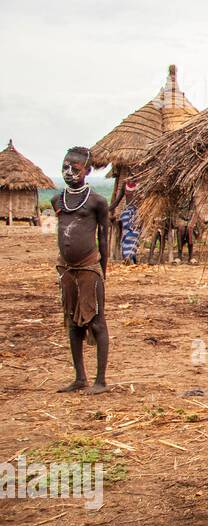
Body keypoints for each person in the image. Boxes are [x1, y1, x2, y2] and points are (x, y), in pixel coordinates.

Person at [53, 146, 110, 393]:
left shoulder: (97, 202)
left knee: (96, 322)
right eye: (65, 167)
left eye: (74, 169)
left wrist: (103, 270)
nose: (68, 173)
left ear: (86, 171)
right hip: (67, 269)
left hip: (89, 268)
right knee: (73, 322)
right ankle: (79, 378)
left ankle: (100, 381)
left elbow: (104, 238)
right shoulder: (57, 200)